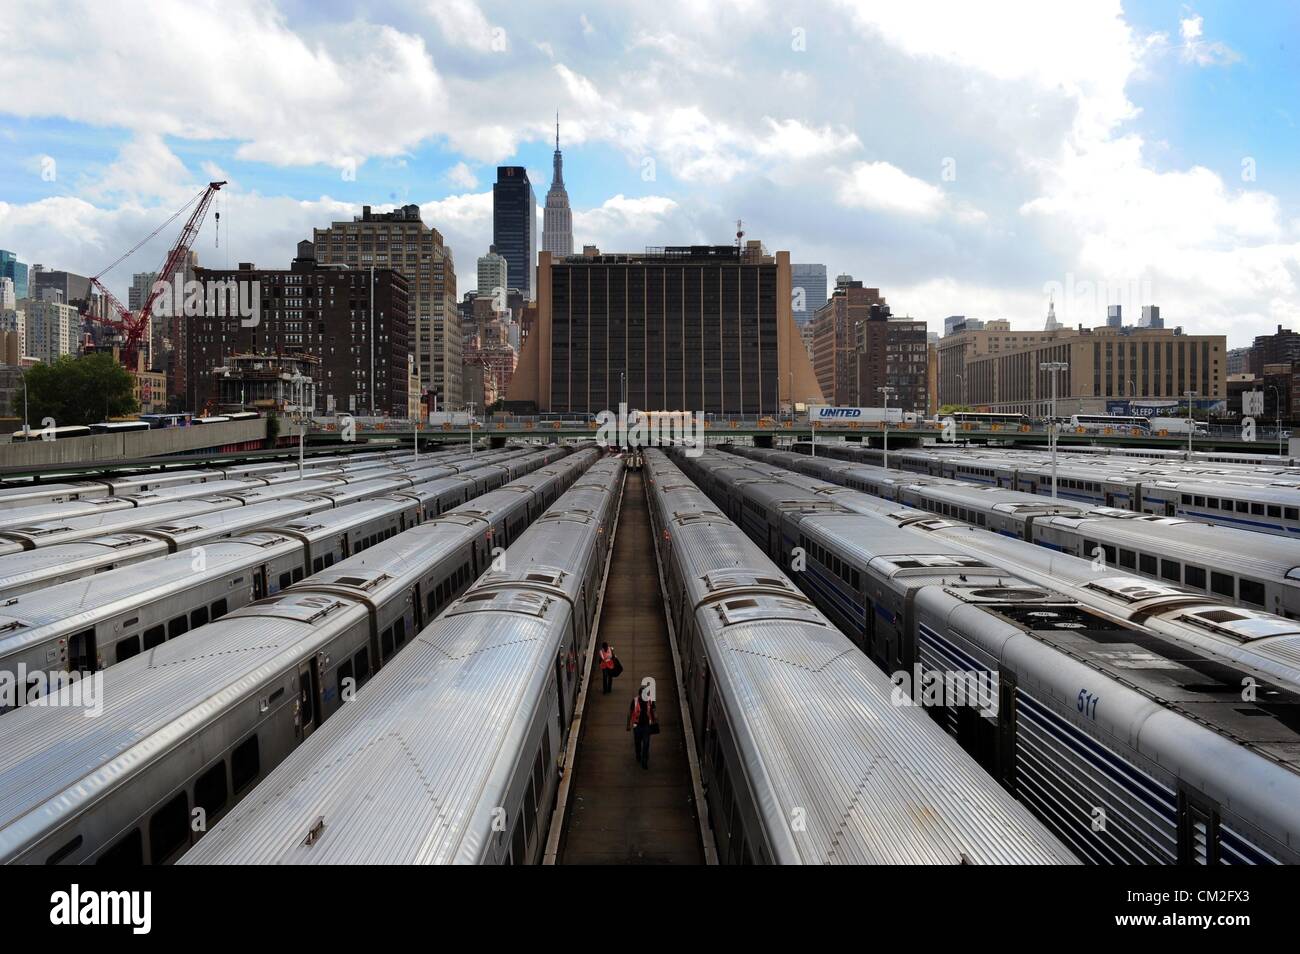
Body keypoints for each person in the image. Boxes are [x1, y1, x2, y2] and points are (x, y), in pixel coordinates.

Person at [626, 683, 657, 769]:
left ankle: (644, 761)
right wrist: (628, 725)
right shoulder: (635, 701)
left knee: (646, 743)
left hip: (647, 726)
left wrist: (655, 720)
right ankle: (638, 754)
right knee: (638, 742)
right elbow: (630, 713)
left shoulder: (650, 701)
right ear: (640, 695)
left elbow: (654, 711)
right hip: (637, 726)